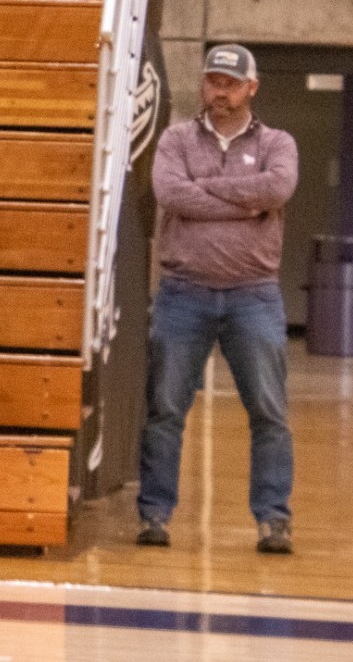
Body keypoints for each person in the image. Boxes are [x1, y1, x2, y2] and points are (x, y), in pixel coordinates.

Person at [137, 45, 298, 555]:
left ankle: (273, 519)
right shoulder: (175, 139)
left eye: (230, 83)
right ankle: (154, 516)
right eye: (212, 81)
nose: (219, 92)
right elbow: (170, 193)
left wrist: (207, 189)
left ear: (252, 87)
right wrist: (244, 203)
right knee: (165, 409)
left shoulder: (278, 142)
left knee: (268, 412)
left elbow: (278, 188)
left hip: (255, 296)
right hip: (183, 294)